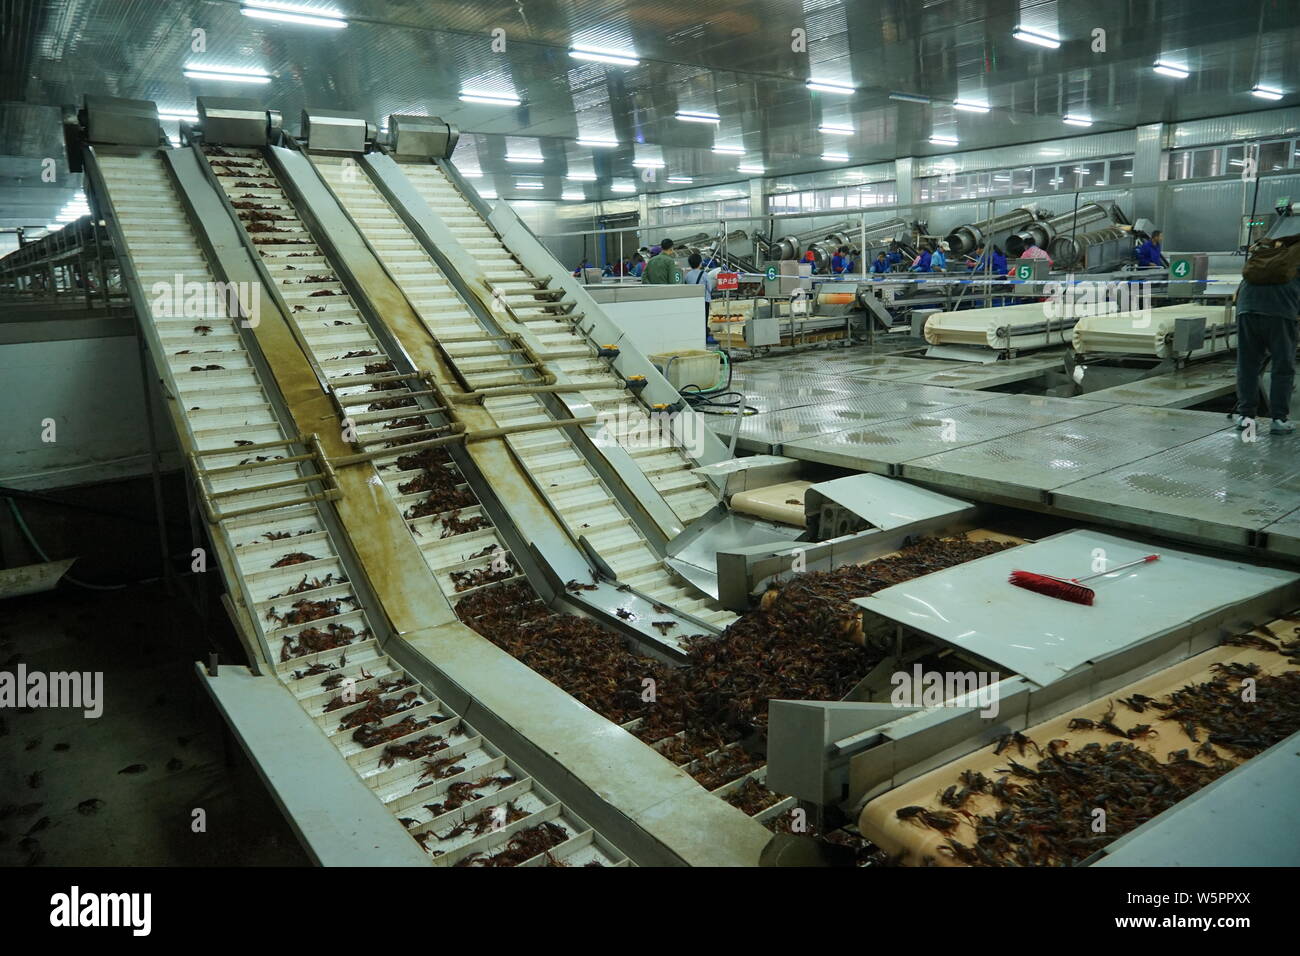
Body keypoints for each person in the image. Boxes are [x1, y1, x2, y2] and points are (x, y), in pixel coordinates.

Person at [1233, 243, 1300, 435]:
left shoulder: (1264, 255)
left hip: (1246, 309)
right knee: (1282, 366)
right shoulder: (1295, 259)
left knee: (1247, 365)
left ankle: (1245, 417)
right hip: (1280, 312)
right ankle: (1279, 420)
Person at [685, 252, 717, 342]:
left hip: (692, 301)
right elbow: (709, 288)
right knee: (704, 319)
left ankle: (695, 336)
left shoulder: (688, 275)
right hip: (704, 300)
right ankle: (704, 338)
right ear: (700, 263)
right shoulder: (704, 274)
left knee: (695, 318)